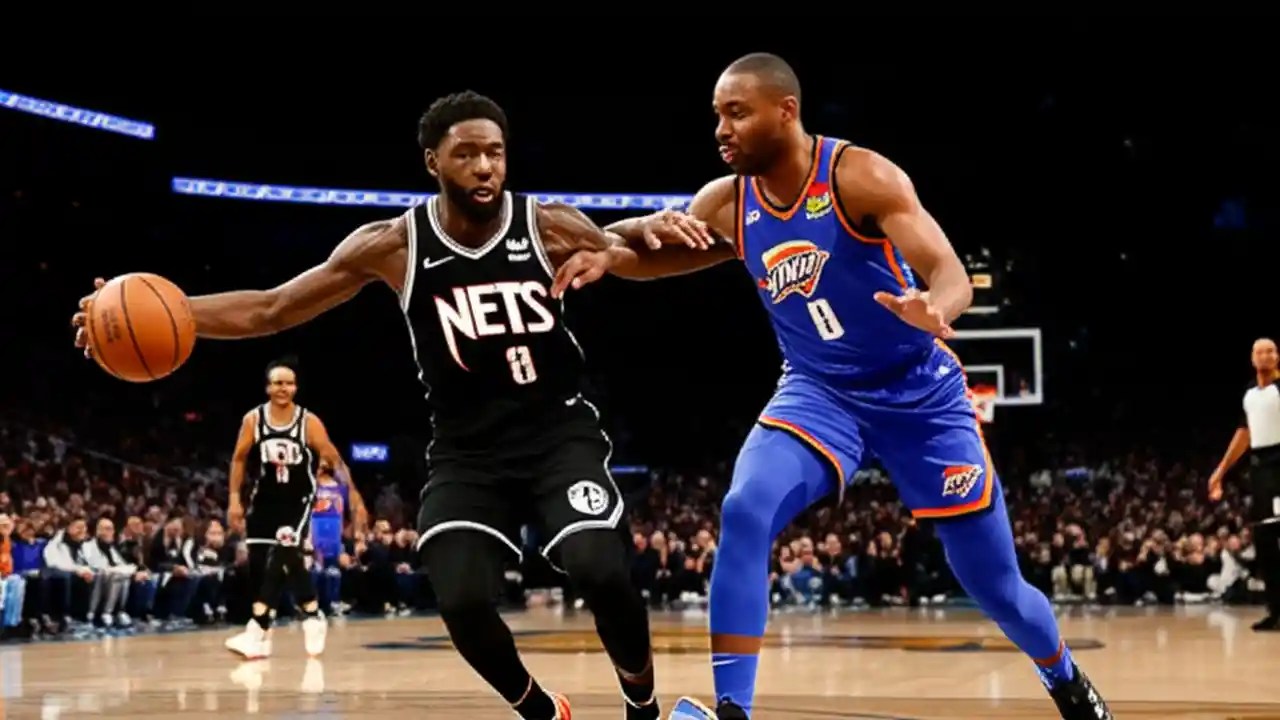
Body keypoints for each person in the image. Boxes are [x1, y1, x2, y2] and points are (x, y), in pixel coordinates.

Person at [72, 90, 706, 720]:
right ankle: (543, 711)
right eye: (467, 154)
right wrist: (170, 313)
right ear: (433, 161)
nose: (485, 167)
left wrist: (644, 229)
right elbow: (273, 306)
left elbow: (617, 250)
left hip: (559, 437)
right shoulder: (392, 245)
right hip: (468, 454)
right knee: (458, 600)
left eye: (496, 153)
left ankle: (642, 706)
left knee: (600, 569)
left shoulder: (546, 224)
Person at [553, 53, 1112, 720]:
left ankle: (1064, 677)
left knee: (995, 587)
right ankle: (734, 711)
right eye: (716, 116)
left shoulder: (860, 177)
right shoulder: (726, 203)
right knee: (745, 508)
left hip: (918, 396)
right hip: (818, 390)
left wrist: (939, 308)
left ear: (785, 111)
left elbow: (949, 269)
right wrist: (613, 249)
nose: (721, 130)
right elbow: (647, 257)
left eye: (736, 112)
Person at [222, 358, 360, 659]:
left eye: (288, 383)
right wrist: (234, 498)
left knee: (284, 549)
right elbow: (239, 458)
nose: (283, 388)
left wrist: (353, 497)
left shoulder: (308, 422)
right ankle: (309, 615)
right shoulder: (253, 420)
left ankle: (256, 627)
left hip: (298, 497)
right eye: (277, 383)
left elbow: (333, 459)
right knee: (262, 563)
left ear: (295, 388)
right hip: (265, 496)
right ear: (268, 387)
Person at [1209, 336, 1280, 631]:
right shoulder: (1250, 394)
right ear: (1252, 359)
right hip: (1260, 468)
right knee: (1264, 541)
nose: (1264, 356)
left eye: (1270, 351)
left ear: (1277, 357)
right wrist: (1221, 470)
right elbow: (1244, 433)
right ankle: (1275, 610)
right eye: (1259, 352)